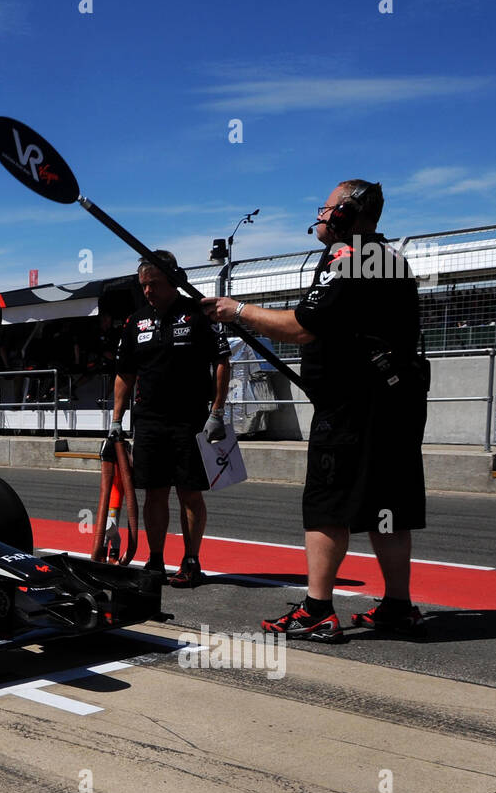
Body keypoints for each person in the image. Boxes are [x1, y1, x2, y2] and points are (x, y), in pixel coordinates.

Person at [201, 180, 428, 640]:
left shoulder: (349, 256)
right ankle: (398, 606)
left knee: (326, 506)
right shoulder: (390, 258)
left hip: (352, 406)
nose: (319, 217)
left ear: (346, 213)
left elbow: (303, 326)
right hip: (394, 403)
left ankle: (317, 609)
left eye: (325, 209)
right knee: (388, 508)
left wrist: (236, 310)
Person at [111, 251, 230, 588]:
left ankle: (191, 560)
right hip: (148, 422)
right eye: (143, 285)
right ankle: (156, 559)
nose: (148, 291)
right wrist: (116, 421)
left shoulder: (197, 314)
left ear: (172, 281)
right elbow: (125, 374)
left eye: (154, 284)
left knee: (190, 493)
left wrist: (217, 412)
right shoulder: (136, 322)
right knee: (154, 494)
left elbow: (222, 362)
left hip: (190, 421)